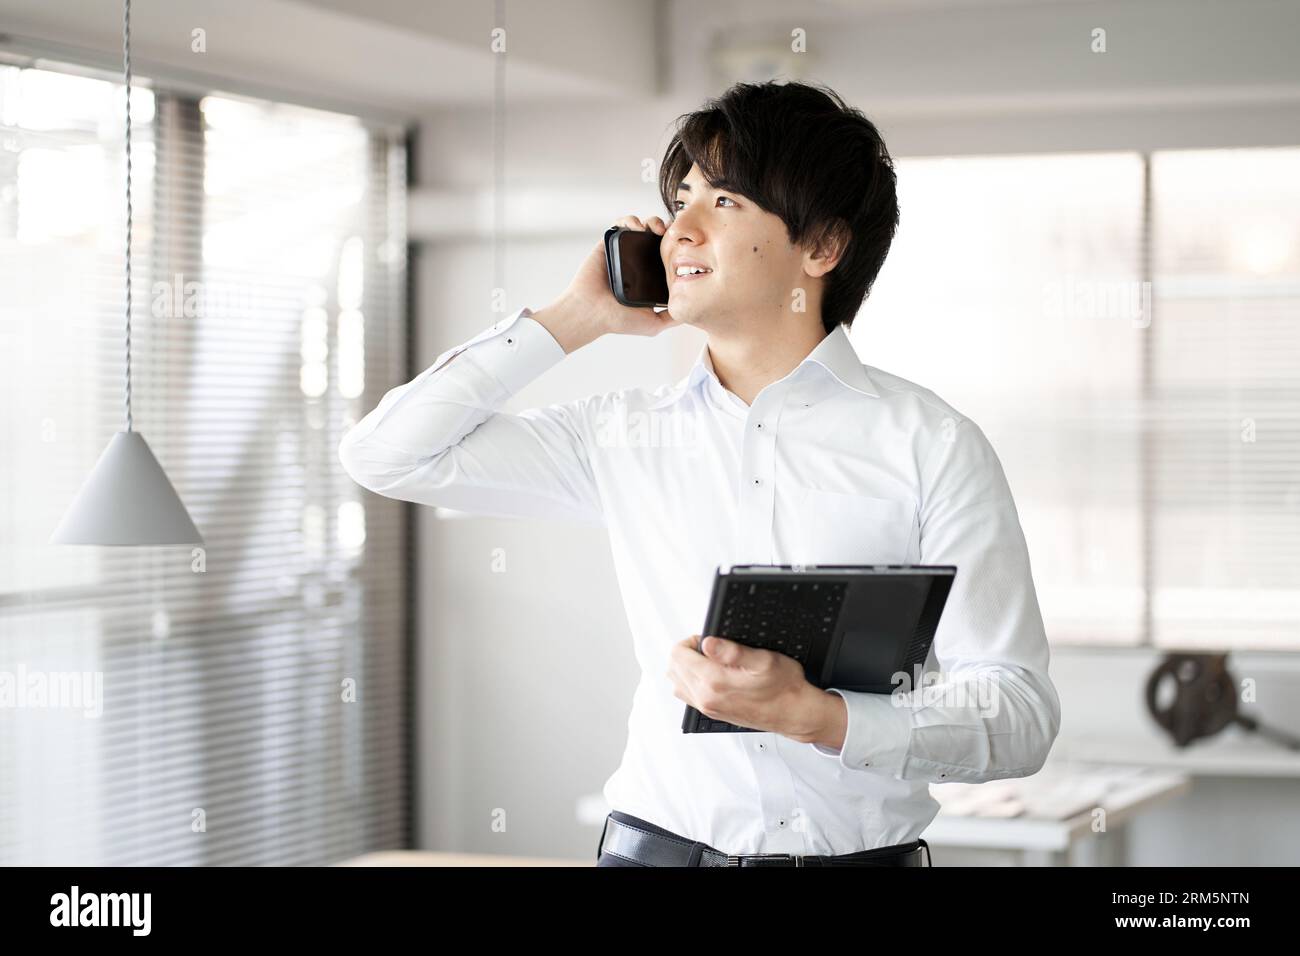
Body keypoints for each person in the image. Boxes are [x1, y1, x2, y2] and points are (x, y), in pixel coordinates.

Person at [338, 79, 1061, 868]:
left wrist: (819, 716)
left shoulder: (933, 445)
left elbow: (1017, 711)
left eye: (723, 203)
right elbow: (388, 453)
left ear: (821, 248)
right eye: (680, 198)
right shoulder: (621, 434)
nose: (678, 229)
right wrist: (577, 319)